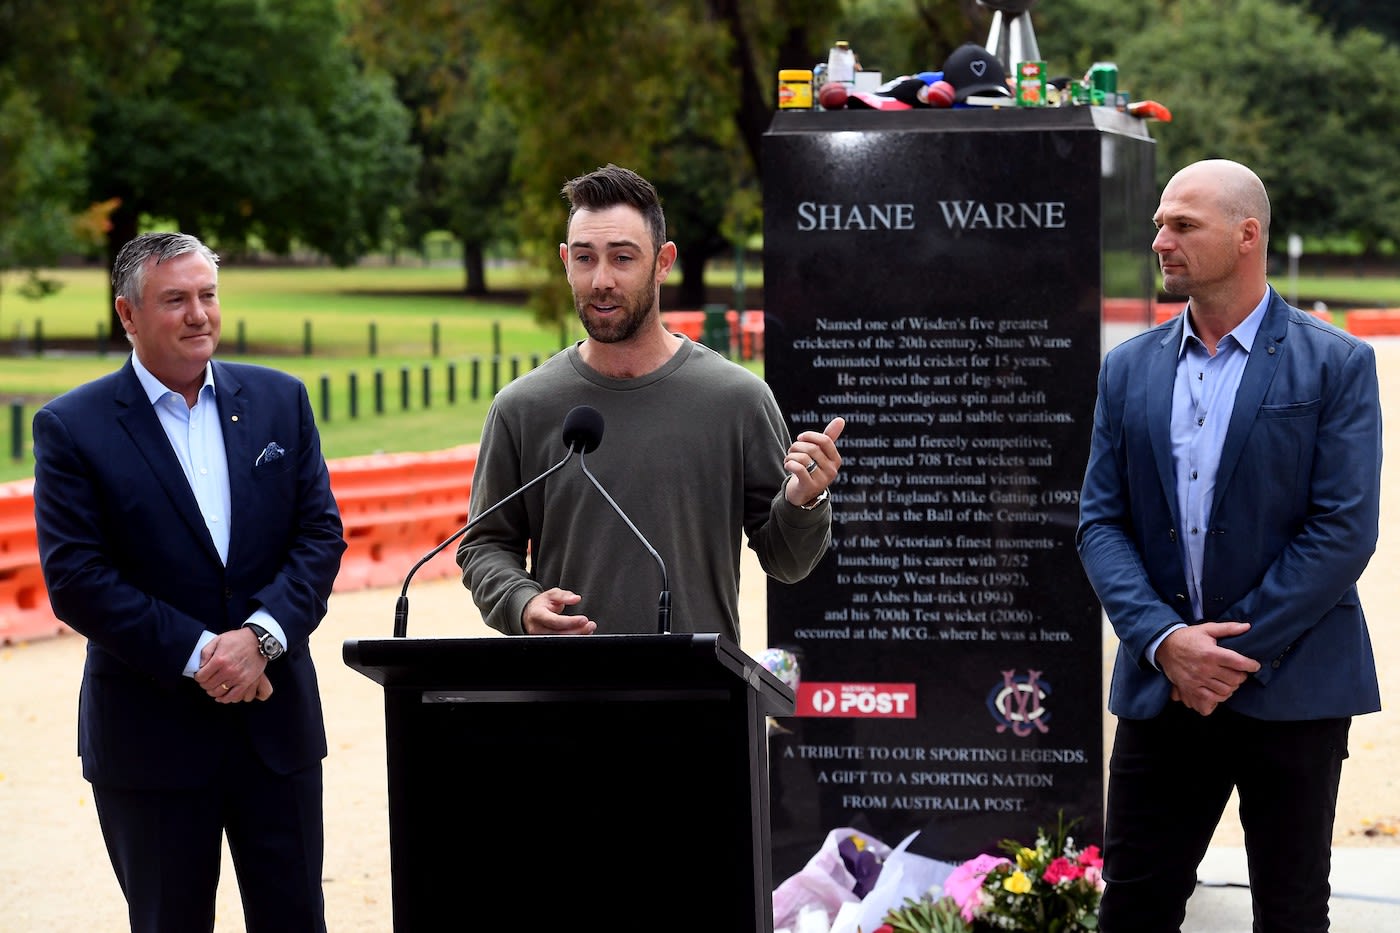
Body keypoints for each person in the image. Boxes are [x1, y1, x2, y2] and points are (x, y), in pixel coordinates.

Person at [1076, 159, 1382, 932]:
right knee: (1135, 906)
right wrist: (1165, 642)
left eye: (1182, 225)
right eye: (1158, 223)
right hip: (1162, 685)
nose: (1160, 240)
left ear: (1247, 236)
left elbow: (1343, 528)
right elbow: (1100, 523)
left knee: (1289, 909)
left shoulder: (1338, 363)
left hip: (1296, 687)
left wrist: (1225, 656)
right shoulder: (1127, 369)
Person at [33, 232, 347, 932]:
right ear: (128, 314)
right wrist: (208, 653)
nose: (199, 313)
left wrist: (260, 638)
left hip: (277, 727)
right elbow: (78, 578)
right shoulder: (71, 427)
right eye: (175, 299)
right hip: (150, 740)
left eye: (207, 295)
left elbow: (320, 536)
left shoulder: (279, 401)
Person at [458, 163, 843, 641]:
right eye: (585, 258)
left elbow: (788, 563)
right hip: (562, 699)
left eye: (622, 258)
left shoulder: (738, 401)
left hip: (699, 700)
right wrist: (521, 602)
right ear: (565, 262)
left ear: (663, 262)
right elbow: (485, 544)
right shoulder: (522, 407)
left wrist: (805, 502)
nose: (600, 279)